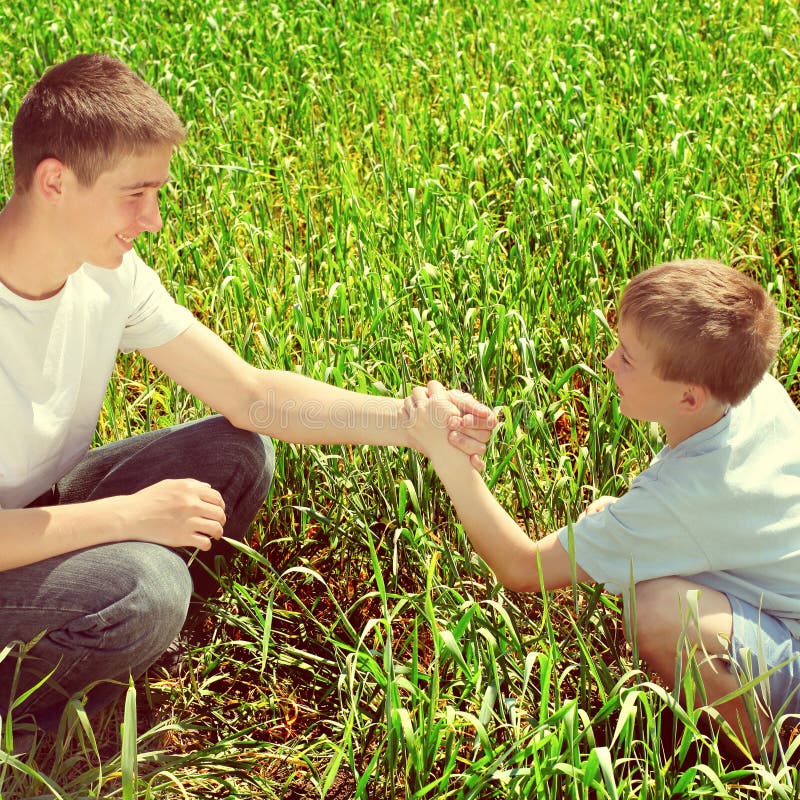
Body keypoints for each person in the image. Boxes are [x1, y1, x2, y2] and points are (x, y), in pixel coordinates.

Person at [0, 53, 496, 733]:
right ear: (54, 180)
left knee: (239, 451)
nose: (153, 220)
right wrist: (129, 517)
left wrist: (410, 422)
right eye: (134, 194)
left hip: (36, 511)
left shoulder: (108, 275)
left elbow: (251, 394)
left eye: (158, 194)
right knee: (151, 587)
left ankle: (114, 621)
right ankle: (46, 690)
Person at [405, 259, 800, 757]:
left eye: (629, 358)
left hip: (792, 643)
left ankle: (769, 758)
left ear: (688, 398)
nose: (609, 361)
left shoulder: (683, 498)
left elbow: (521, 566)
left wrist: (448, 458)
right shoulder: (752, 393)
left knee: (656, 610)